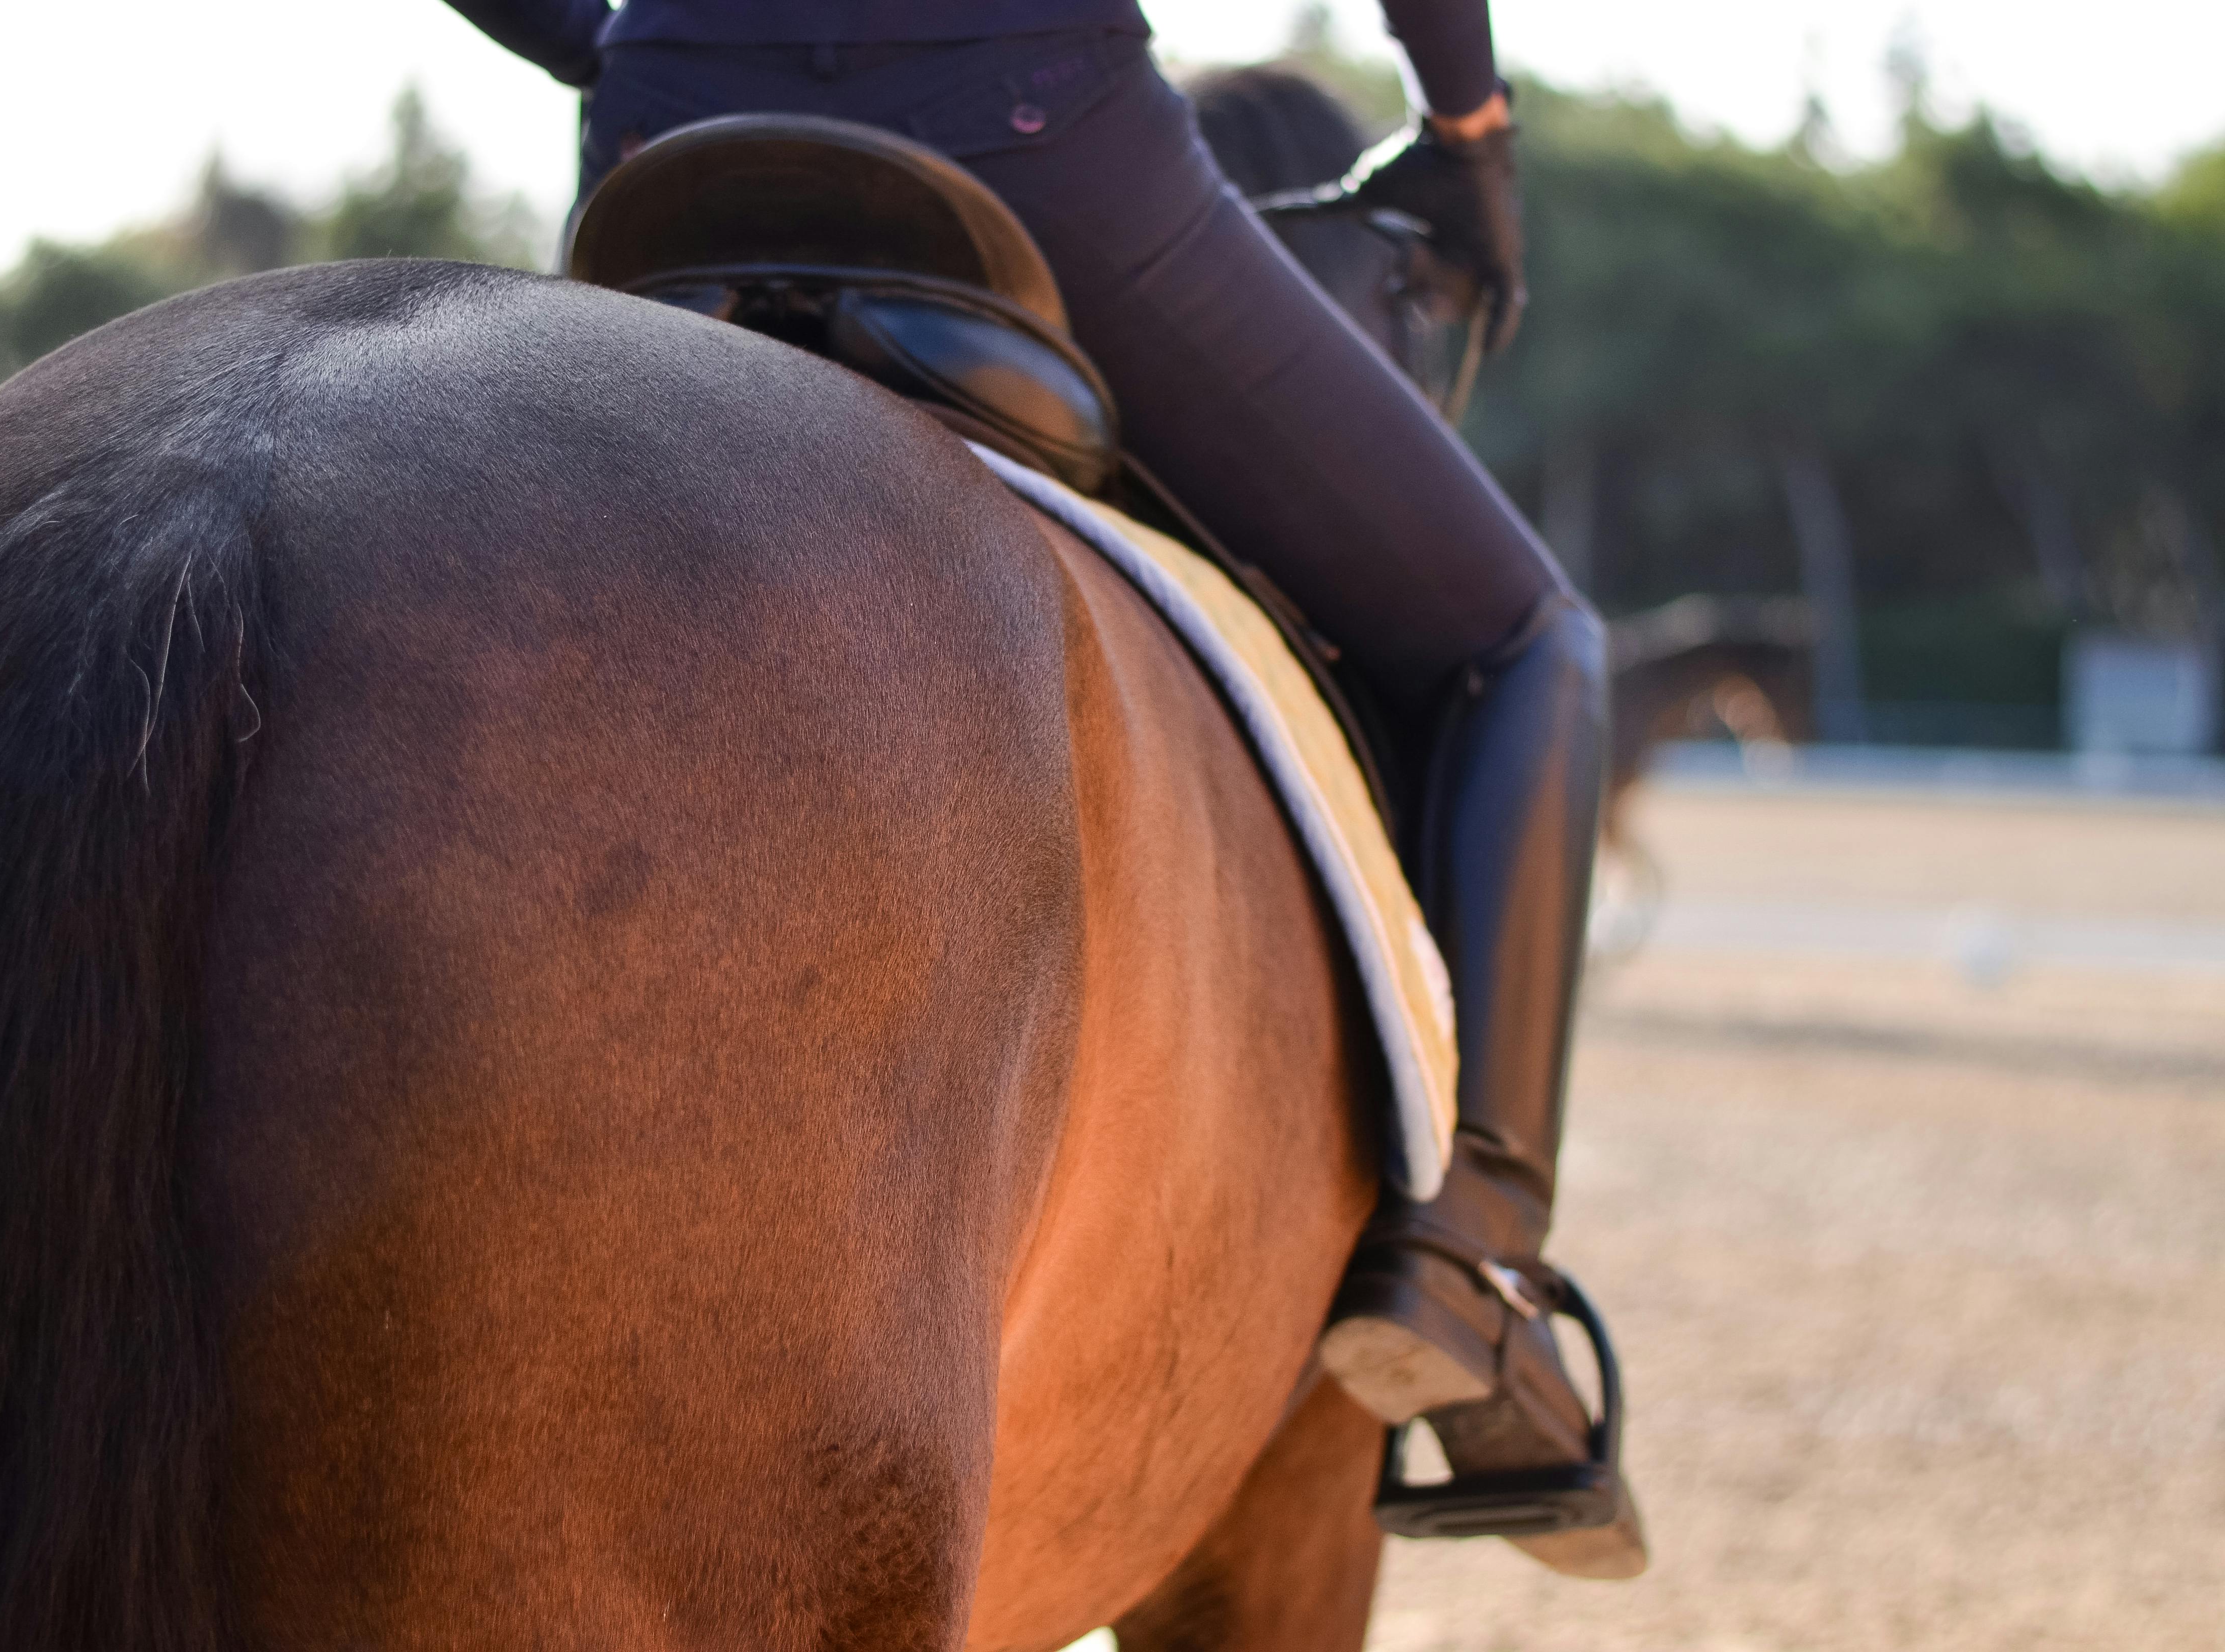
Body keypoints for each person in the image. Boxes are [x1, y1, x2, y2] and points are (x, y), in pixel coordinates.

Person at [442, 0, 1634, 1573]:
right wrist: (1467, 124)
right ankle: (1473, 1262)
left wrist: (605, 44)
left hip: (671, 142)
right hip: (1041, 136)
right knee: (1524, 639)